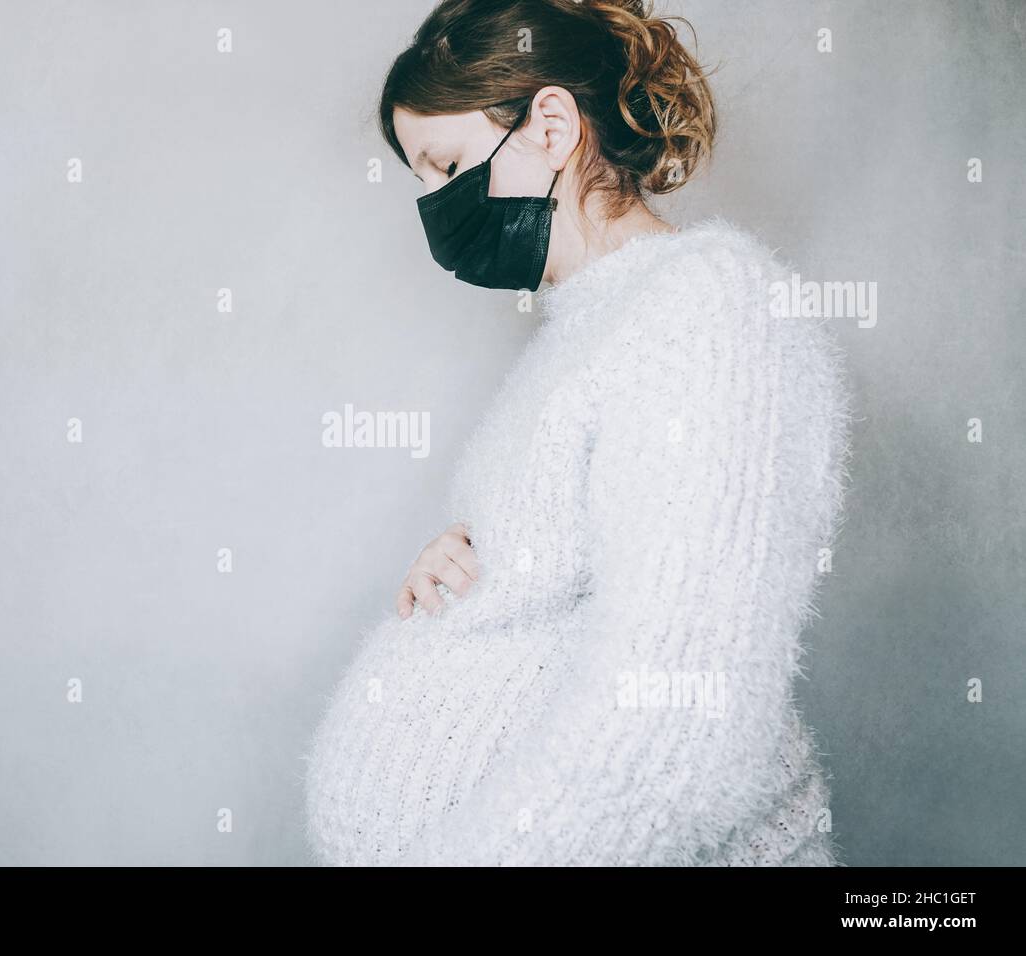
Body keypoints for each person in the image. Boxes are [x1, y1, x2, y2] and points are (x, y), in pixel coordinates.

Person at [303, 0, 853, 866]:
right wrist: (461, 592)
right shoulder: (586, 331)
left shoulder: (711, 309)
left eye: (444, 164)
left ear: (551, 125)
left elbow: (682, 721)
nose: (434, 205)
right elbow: (558, 594)